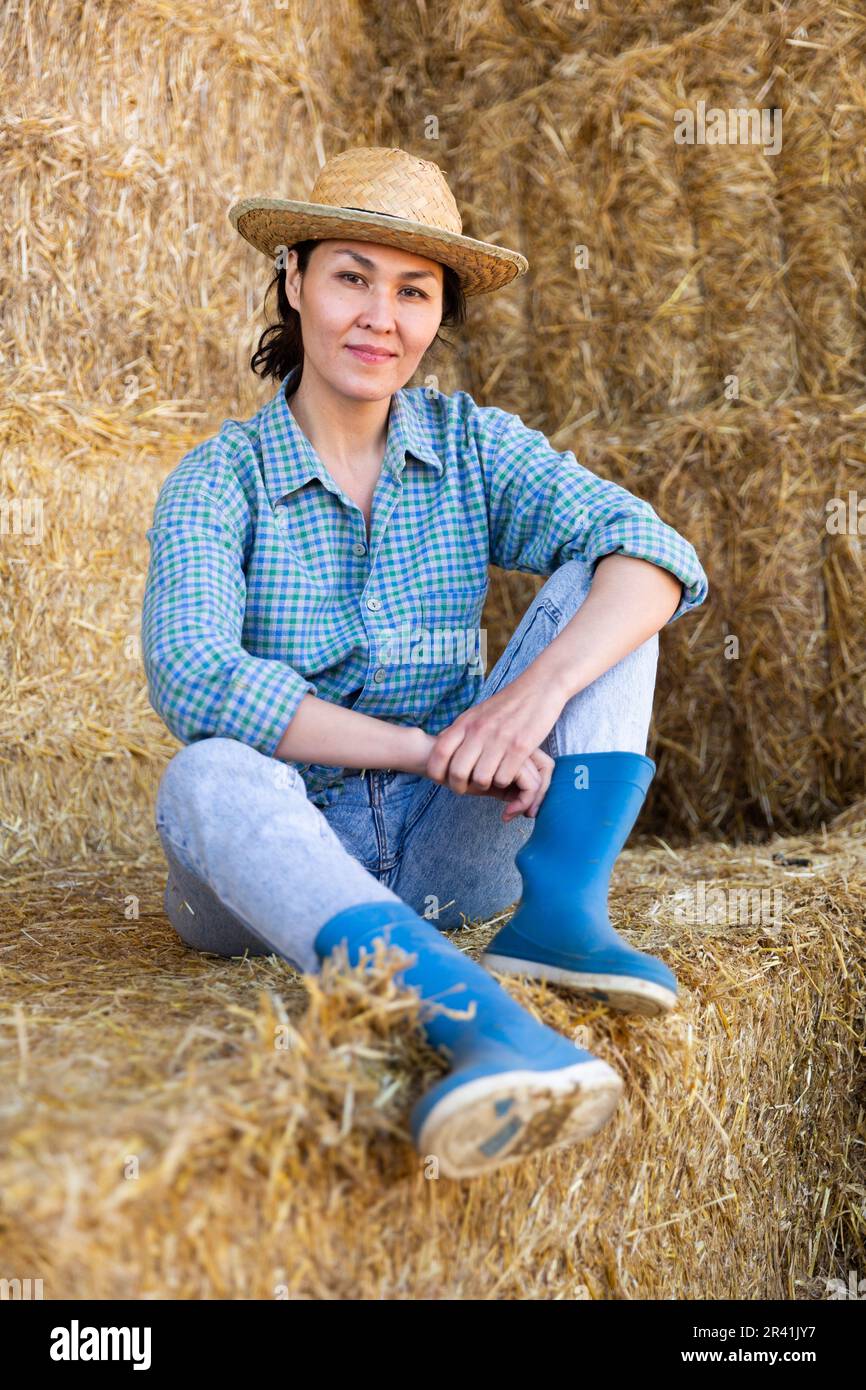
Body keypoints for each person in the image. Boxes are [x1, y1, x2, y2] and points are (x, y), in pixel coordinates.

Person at [142, 146, 709, 1180]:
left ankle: (560, 918)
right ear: (294, 280)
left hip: (457, 853)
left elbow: (659, 551)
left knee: (611, 573)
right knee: (206, 771)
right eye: (350, 275)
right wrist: (422, 746)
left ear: (437, 316)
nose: (379, 317)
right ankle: (486, 1026)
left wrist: (526, 703)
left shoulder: (474, 447)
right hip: (270, 878)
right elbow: (192, 673)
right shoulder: (215, 478)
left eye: (413, 291)